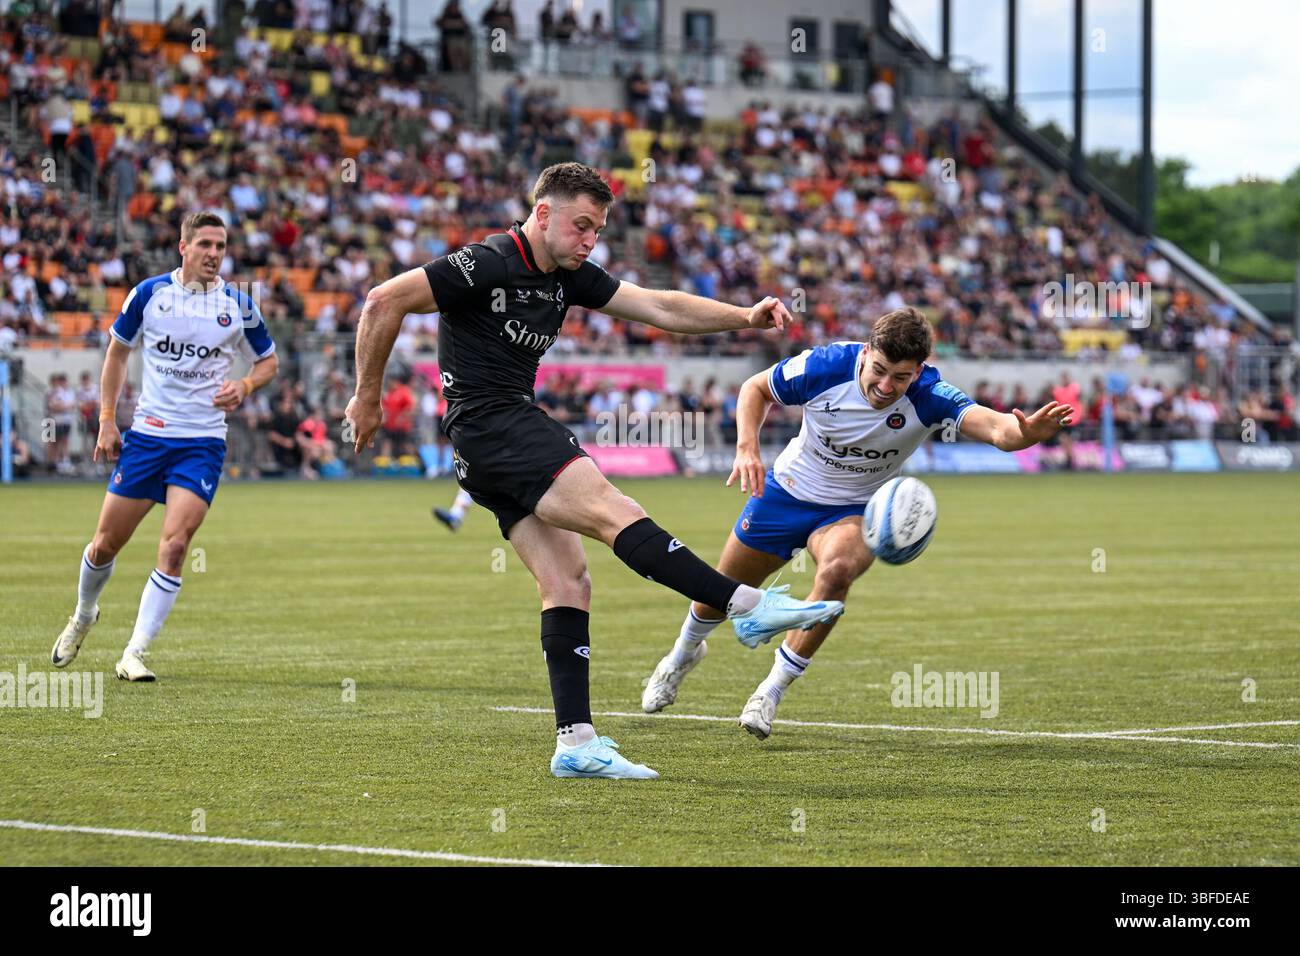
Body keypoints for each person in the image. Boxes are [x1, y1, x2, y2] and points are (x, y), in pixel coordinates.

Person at [345, 162, 841, 780]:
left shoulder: (569, 277)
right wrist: (368, 395)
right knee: (616, 511)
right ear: (543, 214)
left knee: (568, 584)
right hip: (496, 425)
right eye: (581, 226)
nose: (589, 240)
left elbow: (659, 305)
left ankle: (575, 744)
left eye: (598, 231)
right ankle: (745, 603)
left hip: (485, 446)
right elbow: (383, 299)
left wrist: (742, 316)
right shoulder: (491, 261)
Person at [641, 308, 1076, 738]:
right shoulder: (826, 364)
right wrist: (746, 447)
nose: (886, 387)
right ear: (866, 352)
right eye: (880, 370)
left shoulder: (930, 393)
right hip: (785, 494)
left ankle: (770, 692)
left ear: (918, 371)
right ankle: (681, 655)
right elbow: (756, 388)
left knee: (838, 572)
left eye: (900, 378)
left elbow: (998, 428)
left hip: (851, 511)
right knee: (716, 596)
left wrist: (1026, 434)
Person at [49, 212, 279, 681]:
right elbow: (117, 352)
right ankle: (84, 613)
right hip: (149, 437)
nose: (214, 254)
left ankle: (134, 652)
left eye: (221, 246)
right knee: (104, 545)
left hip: (202, 442)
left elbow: (268, 362)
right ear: (183, 247)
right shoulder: (150, 294)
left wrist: (247, 386)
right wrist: (108, 420)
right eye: (206, 245)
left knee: (175, 546)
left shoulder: (239, 306)